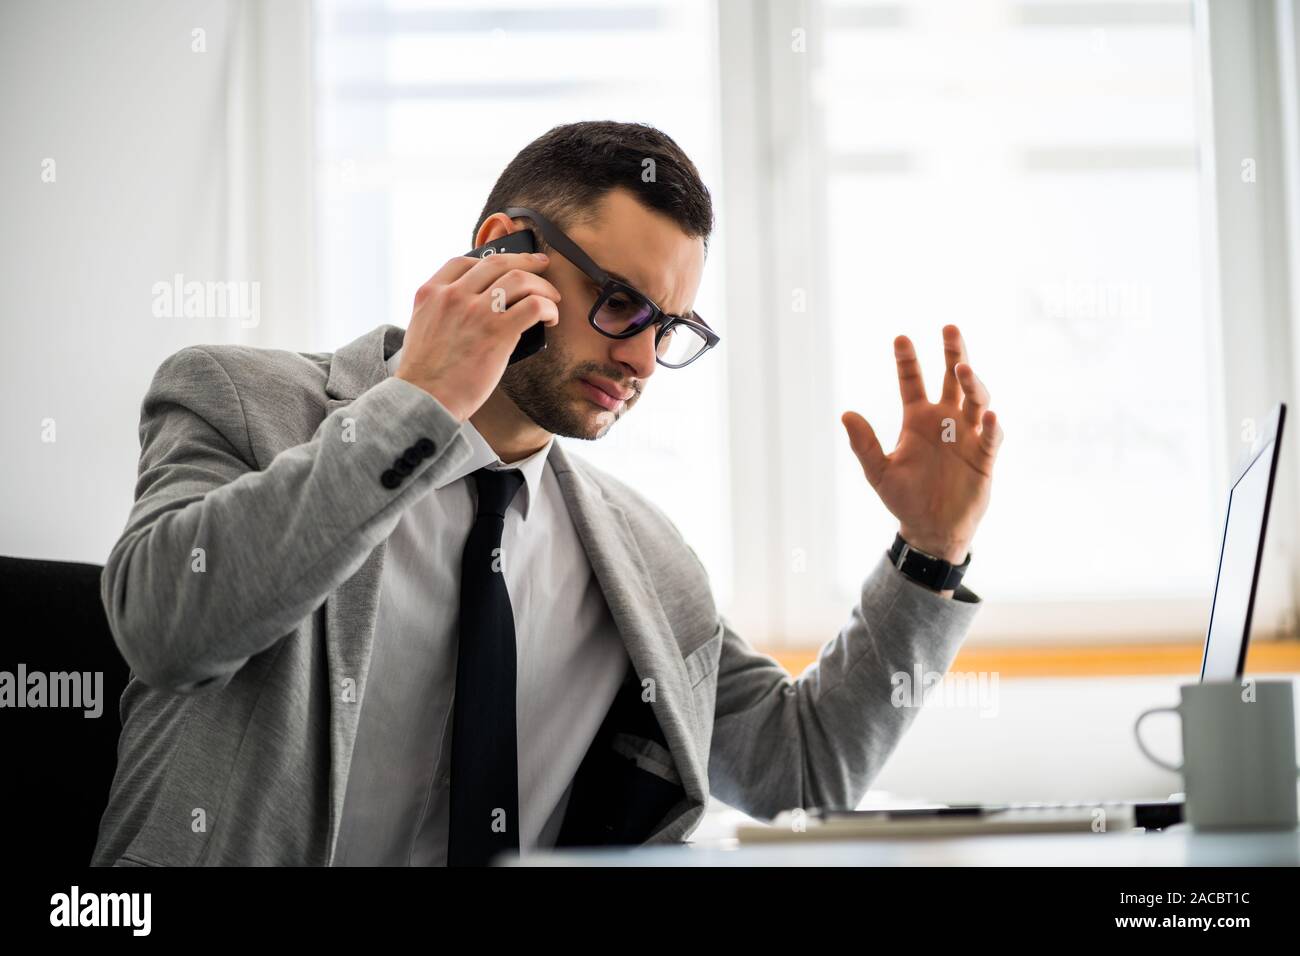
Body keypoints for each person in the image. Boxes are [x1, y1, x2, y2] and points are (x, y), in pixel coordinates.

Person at [92, 120, 1002, 867]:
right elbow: (168, 629)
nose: (643, 358)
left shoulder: (643, 557)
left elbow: (796, 772)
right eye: (621, 303)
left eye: (671, 328)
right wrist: (421, 402)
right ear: (506, 251)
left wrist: (928, 557)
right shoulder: (239, 399)